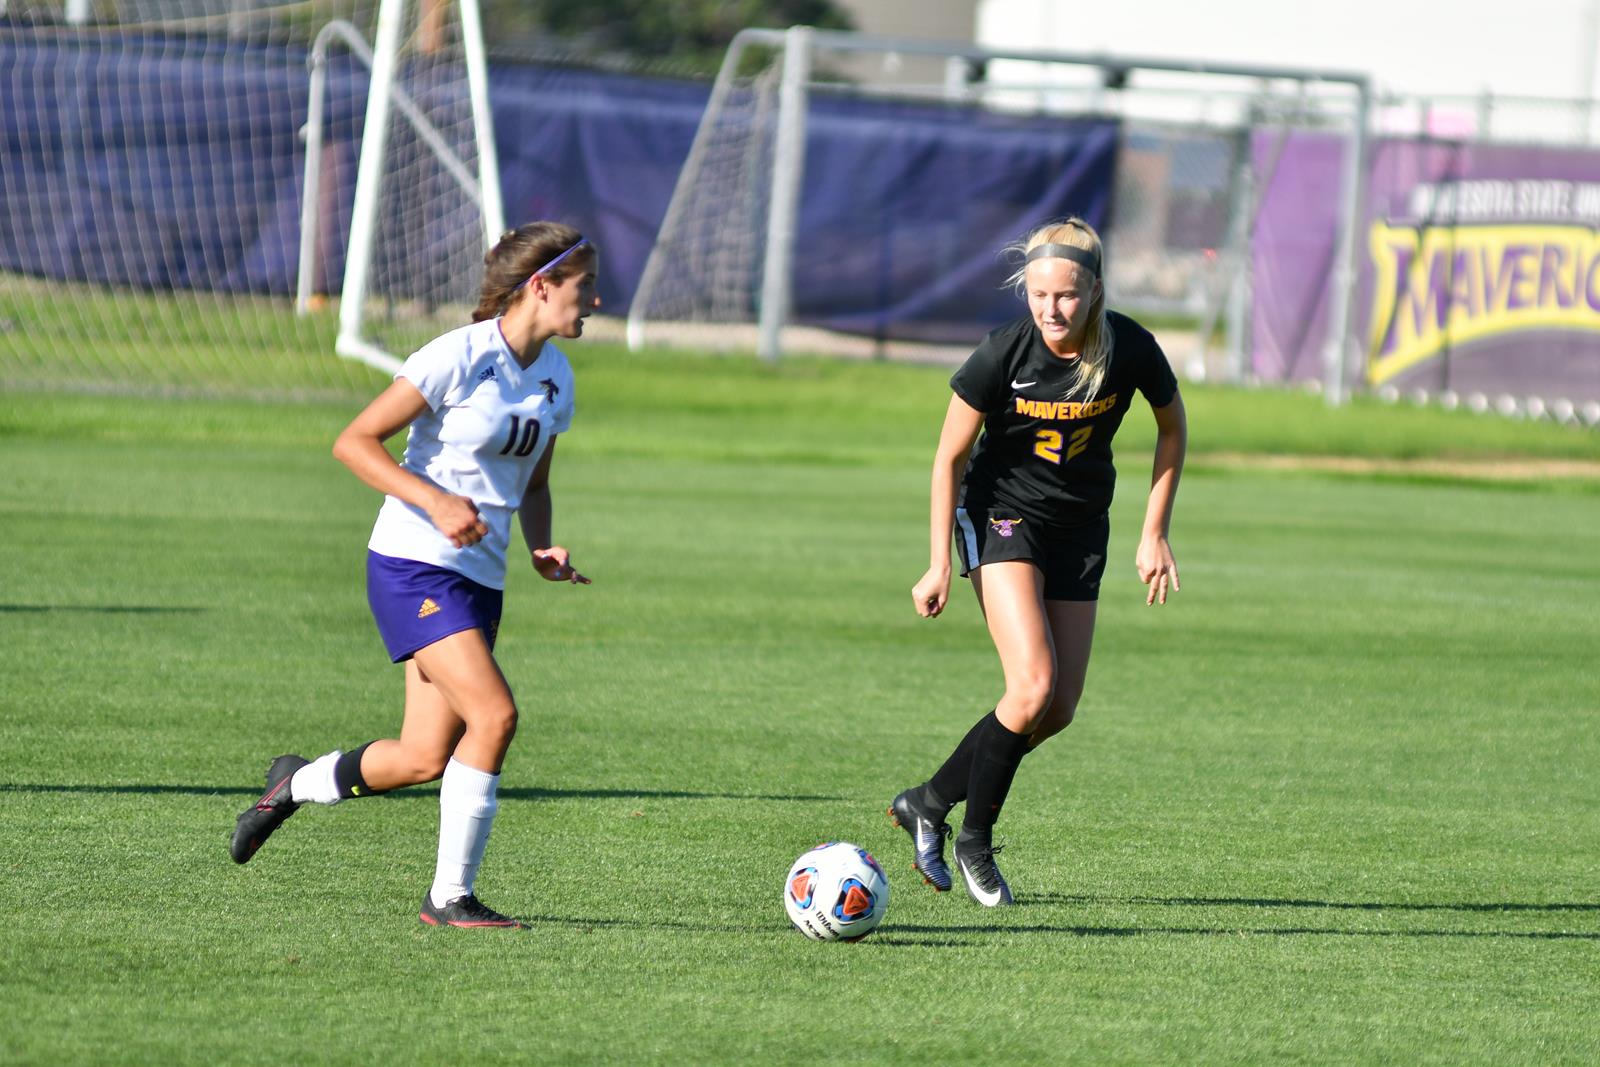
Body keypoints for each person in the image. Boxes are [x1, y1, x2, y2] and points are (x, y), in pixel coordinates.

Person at [229, 221, 599, 929]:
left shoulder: (556, 375)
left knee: (423, 755)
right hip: (412, 562)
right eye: (584, 287)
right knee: (495, 716)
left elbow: (536, 484)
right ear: (542, 285)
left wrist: (541, 548)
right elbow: (353, 441)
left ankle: (292, 786)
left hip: (480, 580)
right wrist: (433, 498)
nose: (596, 300)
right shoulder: (457, 355)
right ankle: (449, 897)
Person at [888, 217, 1186, 907]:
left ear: (1097, 291)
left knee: (1056, 709)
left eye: (1069, 296)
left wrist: (1155, 532)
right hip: (1003, 516)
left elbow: (1173, 428)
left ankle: (928, 802)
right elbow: (949, 458)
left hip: (1080, 529)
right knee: (1032, 685)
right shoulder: (1002, 354)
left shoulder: (1130, 348)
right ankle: (975, 841)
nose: (1052, 310)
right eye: (1040, 294)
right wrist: (938, 562)